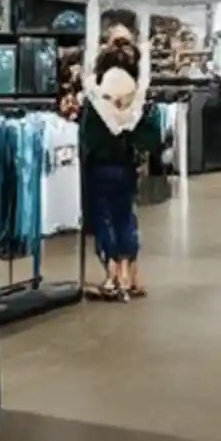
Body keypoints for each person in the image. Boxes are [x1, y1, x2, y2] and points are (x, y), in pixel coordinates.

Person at [80, 26, 159, 301]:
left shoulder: (95, 93)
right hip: (126, 166)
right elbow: (149, 136)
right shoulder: (136, 94)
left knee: (103, 220)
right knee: (126, 218)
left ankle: (112, 275)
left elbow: (87, 135)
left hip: (100, 166)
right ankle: (131, 275)